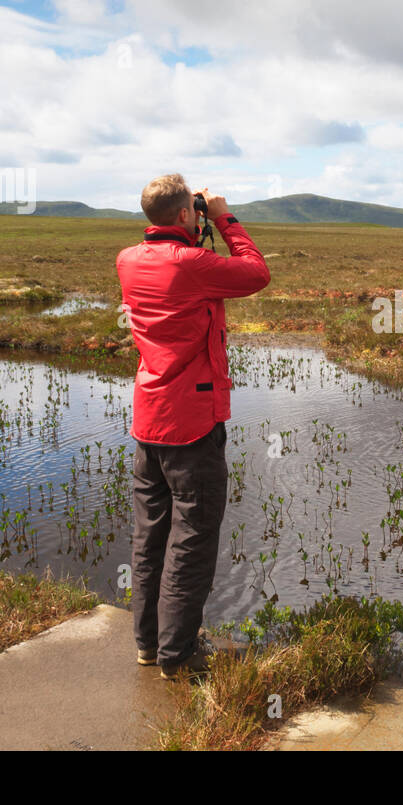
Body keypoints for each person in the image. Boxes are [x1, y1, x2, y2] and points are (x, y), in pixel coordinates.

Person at [116, 173, 270, 680]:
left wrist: (197, 222)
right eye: (195, 211)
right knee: (193, 539)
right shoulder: (193, 265)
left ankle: (147, 645)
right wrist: (224, 216)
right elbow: (255, 273)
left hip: (148, 420)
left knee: (150, 536)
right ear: (185, 215)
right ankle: (177, 654)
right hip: (193, 426)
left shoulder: (128, 260)